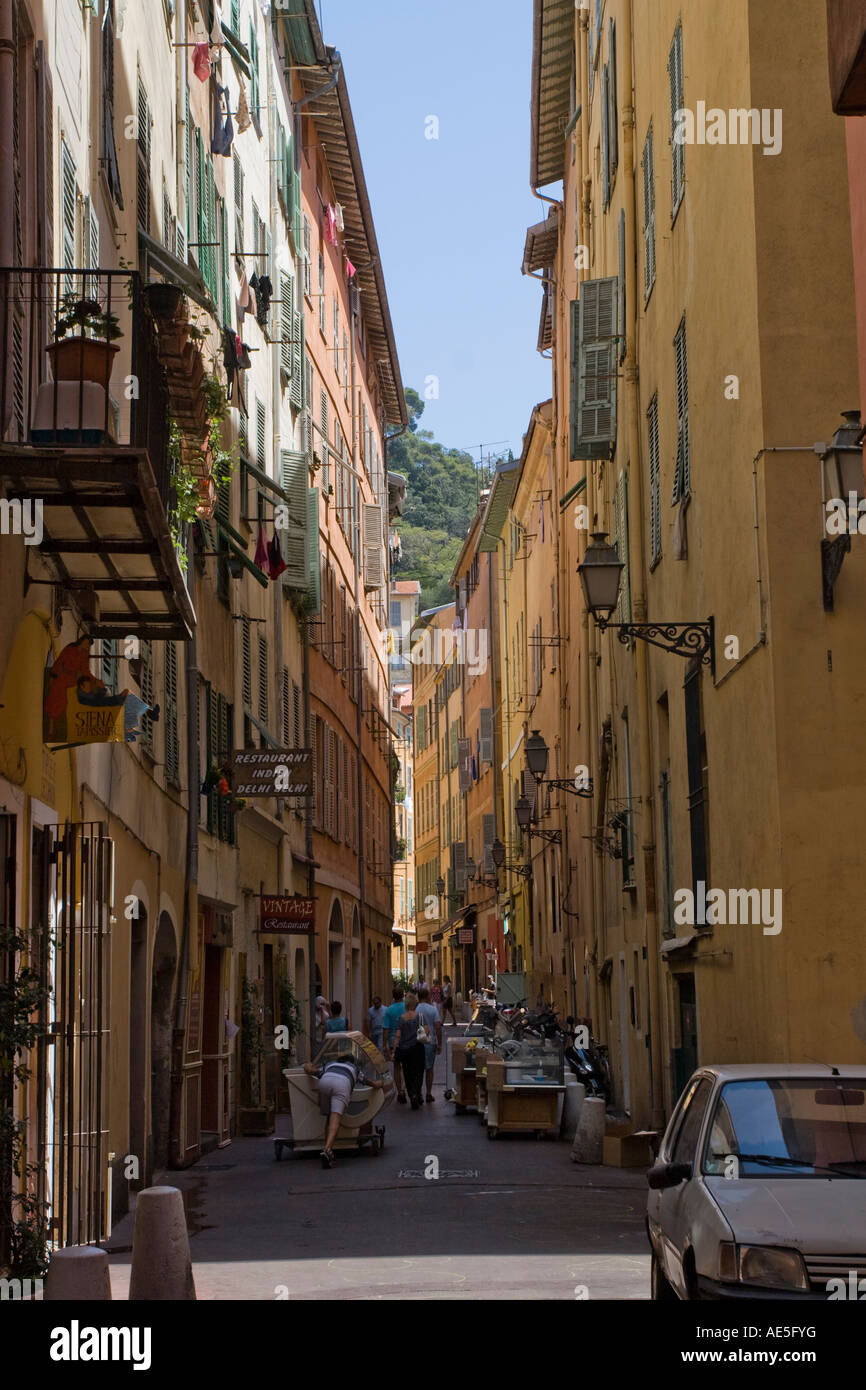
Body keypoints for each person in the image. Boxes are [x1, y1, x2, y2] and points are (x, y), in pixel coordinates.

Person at [303, 1052, 386, 1168]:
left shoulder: (331, 1064)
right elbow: (368, 1082)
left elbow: (312, 1071)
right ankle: (327, 1150)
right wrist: (378, 1084)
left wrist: (307, 1065)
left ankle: (328, 1148)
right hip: (341, 1084)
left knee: (328, 1117)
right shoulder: (355, 1068)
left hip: (324, 1083)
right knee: (335, 1119)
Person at [393, 992, 425, 1110]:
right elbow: (426, 1031)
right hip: (417, 1048)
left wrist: (394, 1050)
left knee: (407, 1073)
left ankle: (412, 1094)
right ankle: (416, 1092)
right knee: (418, 1072)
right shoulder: (420, 1016)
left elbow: (397, 1035)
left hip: (405, 1049)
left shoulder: (401, 1018)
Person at [416, 986, 443, 1102]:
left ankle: (418, 1093)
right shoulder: (433, 1009)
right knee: (429, 1069)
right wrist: (439, 1043)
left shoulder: (414, 1009)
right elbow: (437, 1026)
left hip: (416, 1042)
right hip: (430, 1041)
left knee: (418, 1069)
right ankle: (428, 1093)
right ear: (427, 996)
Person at [382, 987, 407, 1102]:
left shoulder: (389, 1010)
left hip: (393, 1042)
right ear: (402, 995)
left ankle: (399, 1091)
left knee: (396, 1066)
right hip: (407, 1040)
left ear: (393, 996)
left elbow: (386, 1029)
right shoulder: (407, 1008)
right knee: (406, 1066)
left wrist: (385, 1043)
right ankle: (404, 1088)